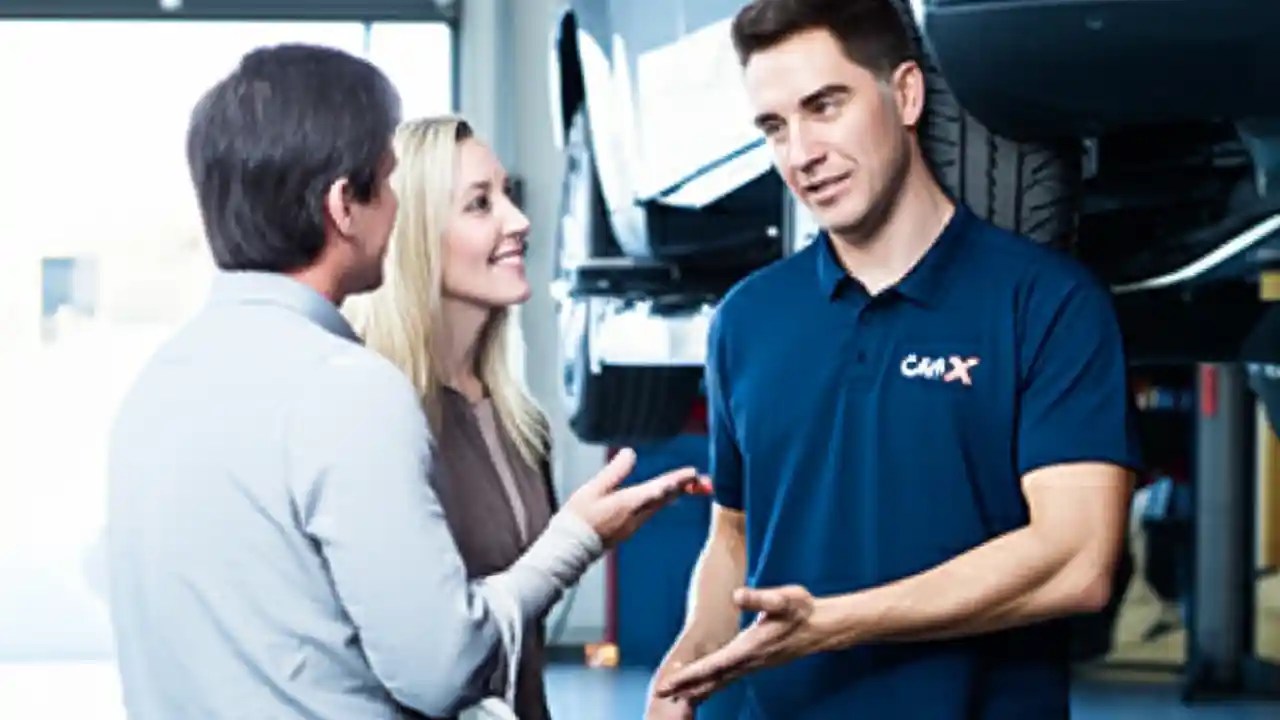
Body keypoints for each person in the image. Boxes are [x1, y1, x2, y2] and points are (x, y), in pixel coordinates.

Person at [105, 44, 701, 720]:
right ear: (343, 206)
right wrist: (576, 540)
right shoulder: (348, 390)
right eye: (387, 184)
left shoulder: (156, 387)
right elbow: (442, 670)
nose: (396, 207)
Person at [645, 1, 1142, 718]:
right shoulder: (747, 320)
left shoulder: (1048, 305)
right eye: (775, 127)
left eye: (825, 106)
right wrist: (690, 662)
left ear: (906, 94)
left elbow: (1077, 559)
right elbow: (734, 534)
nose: (801, 153)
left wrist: (834, 623)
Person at [337, 115, 568, 719]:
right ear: (416, 234)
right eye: (479, 204)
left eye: (508, 196)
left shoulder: (523, 424)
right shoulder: (373, 414)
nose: (518, 222)